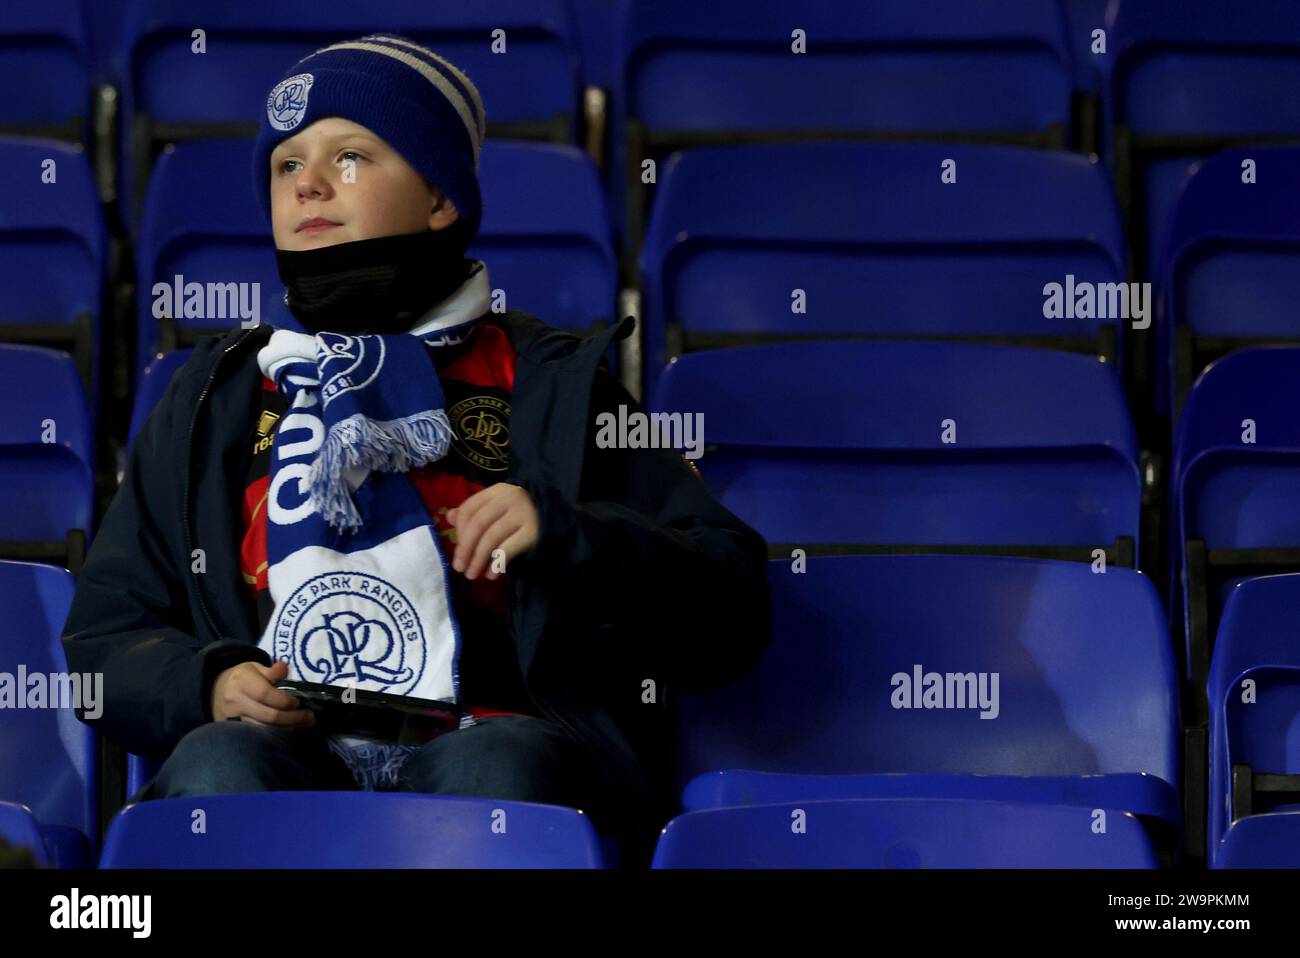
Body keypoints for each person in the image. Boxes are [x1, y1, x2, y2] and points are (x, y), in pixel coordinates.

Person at [62, 35, 771, 868]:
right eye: (286, 166)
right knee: (220, 760)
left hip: (488, 743)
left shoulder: (552, 386)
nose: (309, 186)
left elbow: (731, 608)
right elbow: (102, 646)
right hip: (277, 751)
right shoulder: (212, 396)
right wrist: (207, 683)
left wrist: (570, 533)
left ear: (440, 197)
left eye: (351, 155)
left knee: (497, 762)